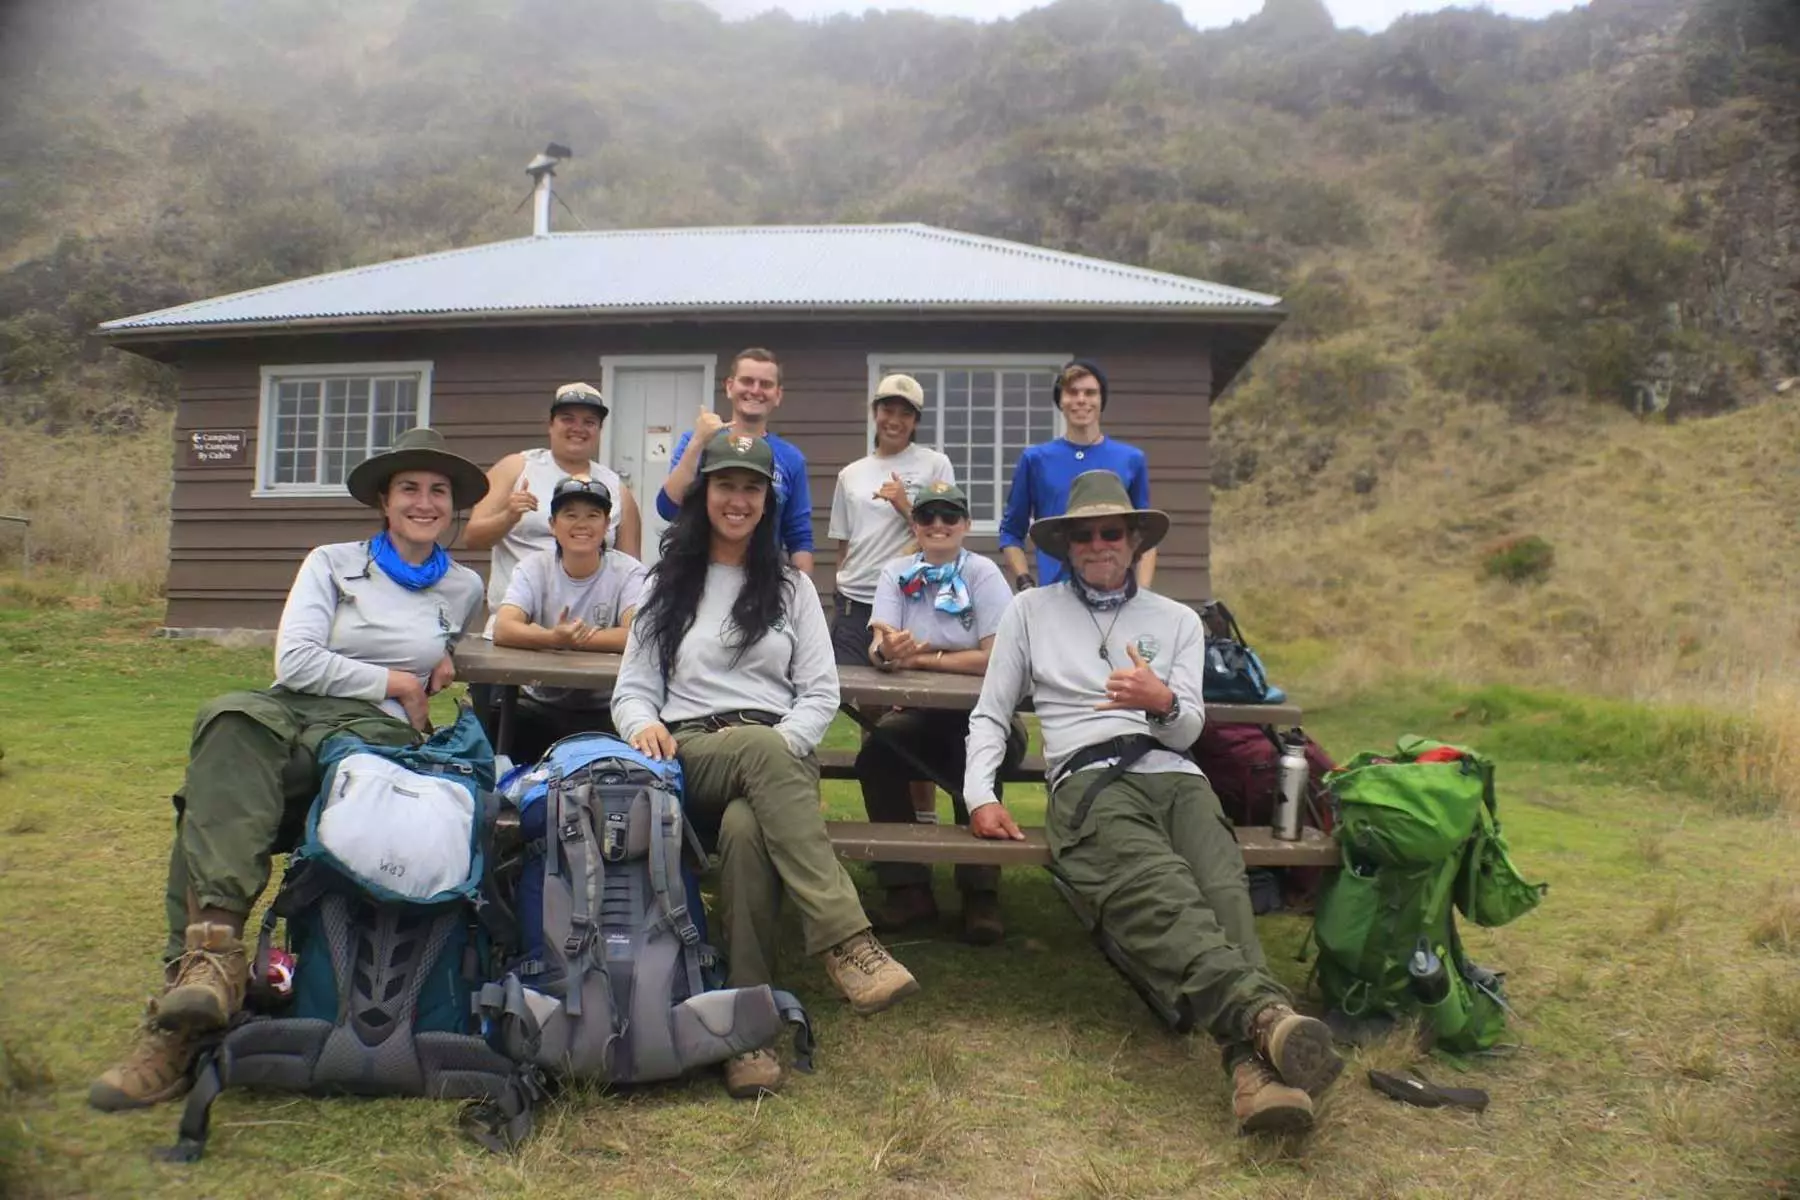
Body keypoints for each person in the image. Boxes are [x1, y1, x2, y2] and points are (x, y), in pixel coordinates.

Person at [90, 427, 489, 1112]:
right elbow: (296, 662)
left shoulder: (464, 585)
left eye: (438, 492)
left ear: (452, 508)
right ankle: (209, 968)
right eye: (410, 489)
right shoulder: (333, 563)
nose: (424, 502)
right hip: (297, 708)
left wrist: (451, 664)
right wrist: (396, 679)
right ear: (384, 502)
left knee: (206, 814)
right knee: (230, 720)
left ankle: (189, 1006)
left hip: (368, 736)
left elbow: (460, 652)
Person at [964, 471, 1343, 1134]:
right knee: (1161, 887)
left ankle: (1255, 1069)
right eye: (1083, 534)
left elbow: (1190, 726)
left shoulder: (1174, 621)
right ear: (1067, 545)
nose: (1098, 543)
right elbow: (991, 713)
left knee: (1223, 890)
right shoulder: (1029, 611)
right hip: (1089, 778)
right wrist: (976, 795)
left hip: (1177, 775)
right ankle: (1263, 1024)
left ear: (1135, 539)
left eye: (1112, 531)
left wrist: (1160, 702)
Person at [613, 429, 918, 1100]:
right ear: (705, 495)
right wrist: (644, 724)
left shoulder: (790, 586)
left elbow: (820, 693)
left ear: (766, 501)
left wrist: (786, 742)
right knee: (757, 752)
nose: (738, 499)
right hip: (692, 752)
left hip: (776, 754)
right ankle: (846, 939)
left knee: (750, 834)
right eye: (726, 485)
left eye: (752, 487)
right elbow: (632, 688)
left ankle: (745, 1035)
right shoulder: (668, 583)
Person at [855, 482, 1025, 944]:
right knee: (877, 755)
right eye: (928, 517)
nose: (938, 525)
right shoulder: (895, 573)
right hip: (923, 715)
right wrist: (887, 651)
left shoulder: (985, 574)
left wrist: (924, 660)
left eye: (949, 516)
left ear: (966, 525)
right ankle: (907, 888)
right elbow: (879, 645)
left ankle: (980, 892)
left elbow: (996, 657)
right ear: (915, 525)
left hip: (986, 718)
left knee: (977, 755)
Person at [490, 475, 648, 764]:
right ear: (553, 525)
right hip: (538, 704)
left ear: (607, 525)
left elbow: (636, 634)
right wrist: (553, 638)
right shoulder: (533, 568)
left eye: (593, 515)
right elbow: (504, 627)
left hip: (608, 707)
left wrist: (572, 639)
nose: (582, 524)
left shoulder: (629, 572)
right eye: (570, 515)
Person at [465, 382, 643, 633]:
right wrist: (508, 517)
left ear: (600, 430)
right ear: (550, 425)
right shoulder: (516, 468)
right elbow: (472, 538)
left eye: (589, 422)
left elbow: (631, 571)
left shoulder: (617, 489)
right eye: (567, 419)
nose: (578, 428)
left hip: (592, 637)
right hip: (517, 630)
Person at [825, 373, 954, 667]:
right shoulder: (850, 474)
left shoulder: (935, 465)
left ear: (916, 421)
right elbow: (843, 545)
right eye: (887, 410)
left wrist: (904, 505)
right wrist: (839, 586)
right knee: (846, 694)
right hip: (853, 602)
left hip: (908, 600)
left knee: (903, 692)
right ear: (875, 413)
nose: (894, 420)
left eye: (905, 413)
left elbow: (945, 537)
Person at [999, 360, 1156, 592]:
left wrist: (1142, 593)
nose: (1081, 399)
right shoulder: (1035, 459)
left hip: (1117, 593)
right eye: (1072, 393)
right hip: (1056, 594)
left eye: (1090, 393)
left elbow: (1145, 535)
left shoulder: (1131, 459)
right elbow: (1011, 531)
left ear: (1101, 401)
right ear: (1061, 401)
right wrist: (1025, 582)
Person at [656, 348, 814, 573]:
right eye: (747, 381)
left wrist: (802, 597)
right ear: (730, 386)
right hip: (694, 573)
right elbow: (668, 508)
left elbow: (799, 536)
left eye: (766, 384)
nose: (755, 390)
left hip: (762, 578)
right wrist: (699, 443)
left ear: (778, 395)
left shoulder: (791, 459)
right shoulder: (696, 440)